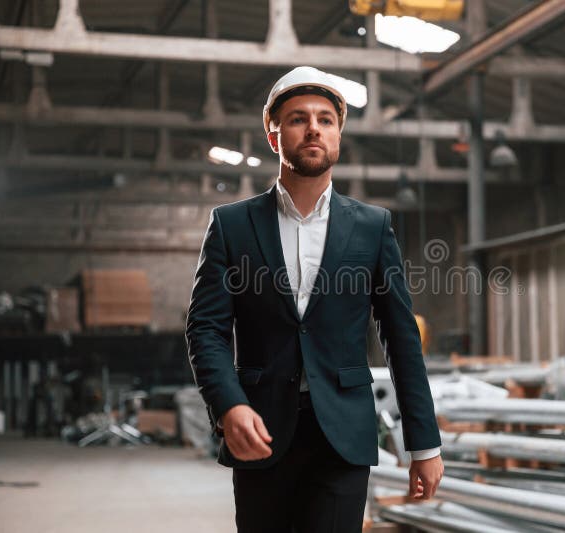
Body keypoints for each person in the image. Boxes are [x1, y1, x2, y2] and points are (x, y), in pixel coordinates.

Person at [185, 66, 443, 532]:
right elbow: (206, 329)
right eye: (298, 118)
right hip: (260, 429)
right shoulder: (231, 225)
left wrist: (423, 444)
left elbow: (402, 339)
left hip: (342, 434)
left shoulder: (371, 226)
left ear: (339, 136)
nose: (313, 128)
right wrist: (228, 404)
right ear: (274, 135)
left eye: (326, 119)